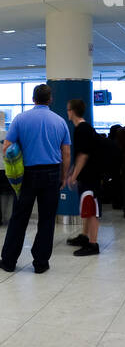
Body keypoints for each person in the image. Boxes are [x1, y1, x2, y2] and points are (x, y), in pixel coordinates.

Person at [1, 83, 71, 272]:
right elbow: (66, 153)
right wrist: (64, 177)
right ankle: (40, 263)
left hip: (27, 175)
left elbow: (6, 148)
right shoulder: (60, 121)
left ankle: (8, 261)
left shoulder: (20, 119)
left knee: (18, 218)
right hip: (52, 174)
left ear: (33, 99)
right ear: (50, 100)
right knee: (47, 220)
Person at [61, 101, 97, 257]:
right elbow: (80, 153)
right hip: (87, 174)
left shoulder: (82, 129)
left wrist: (73, 176)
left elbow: (84, 155)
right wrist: (72, 172)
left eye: (68, 110)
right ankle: (84, 236)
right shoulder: (82, 128)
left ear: (72, 111)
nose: (67, 112)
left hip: (90, 175)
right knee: (87, 208)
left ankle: (93, 244)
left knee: (92, 209)